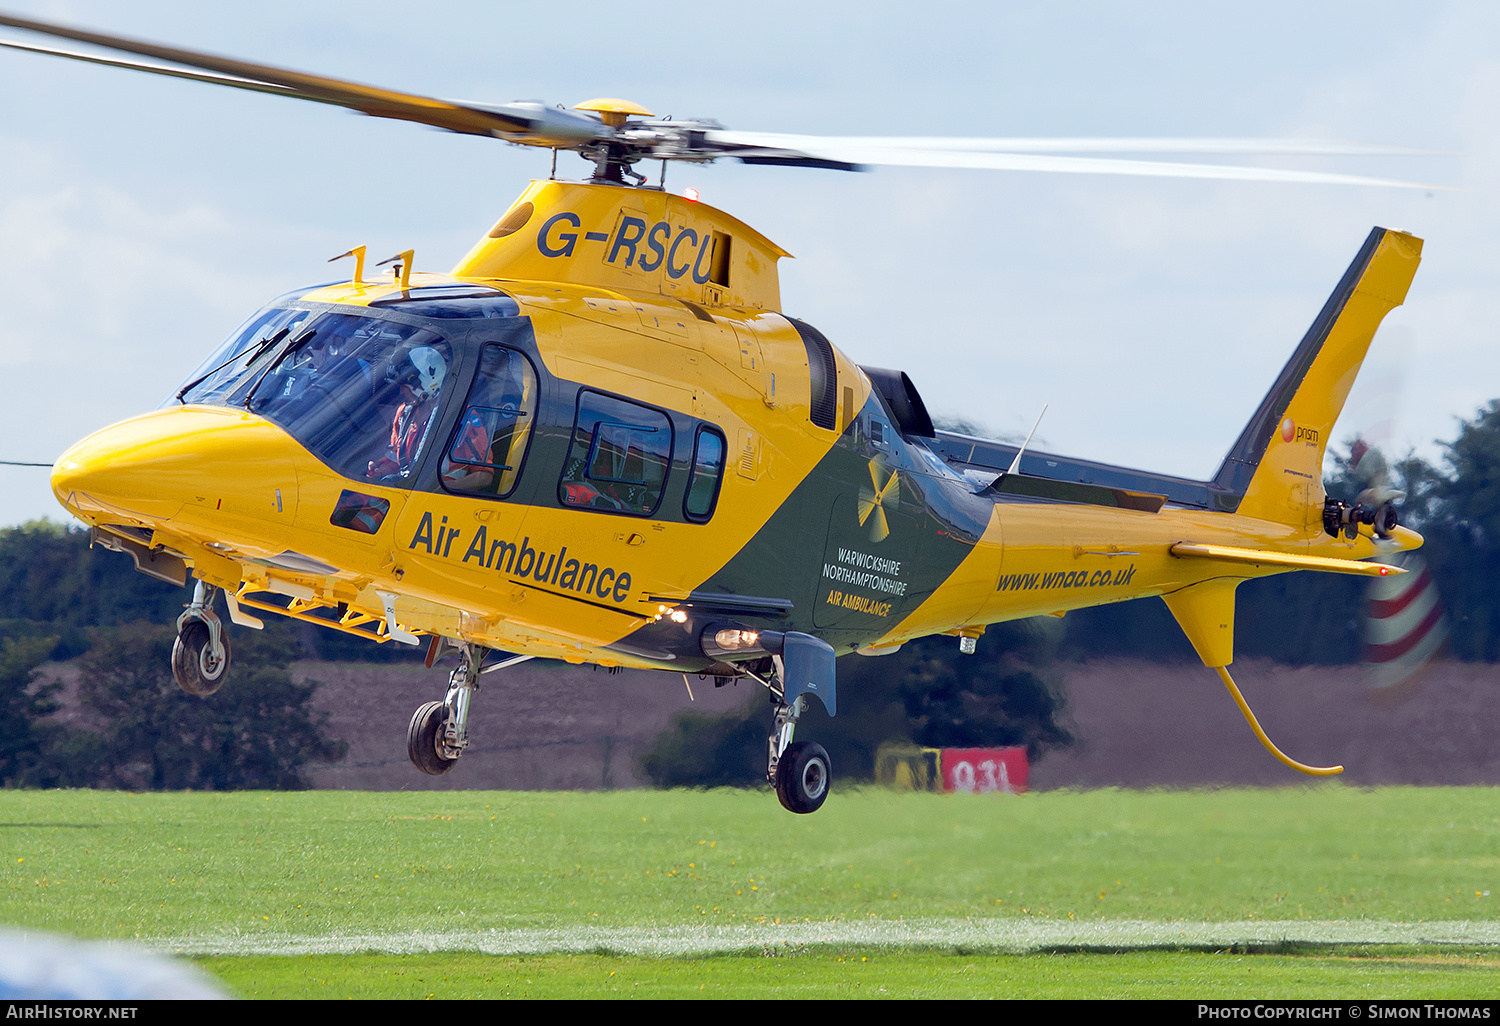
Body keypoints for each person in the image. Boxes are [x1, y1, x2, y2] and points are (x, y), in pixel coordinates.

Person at [366, 346, 446, 481]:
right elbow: (397, 460)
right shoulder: (404, 413)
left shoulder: (458, 419)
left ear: (428, 383)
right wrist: (380, 471)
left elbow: (483, 476)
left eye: (405, 387)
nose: (401, 392)